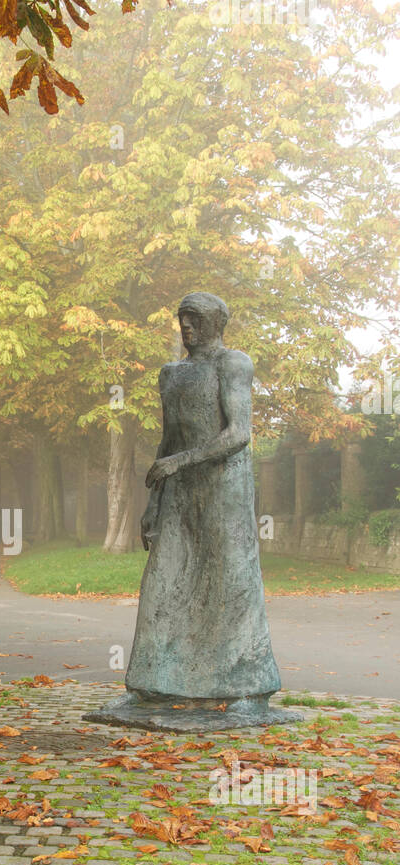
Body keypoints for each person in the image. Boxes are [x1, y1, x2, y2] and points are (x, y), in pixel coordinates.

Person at [126, 290, 281, 709]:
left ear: (216, 323)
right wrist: (153, 503)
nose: (186, 326)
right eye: (182, 318)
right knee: (162, 582)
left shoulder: (233, 364)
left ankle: (245, 687)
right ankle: (152, 685)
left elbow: (239, 433)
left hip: (223, 489)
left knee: (232, 582)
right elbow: (169, 438)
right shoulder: (170, 373)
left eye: (194, 318)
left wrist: (179, 463)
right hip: (178, 492)